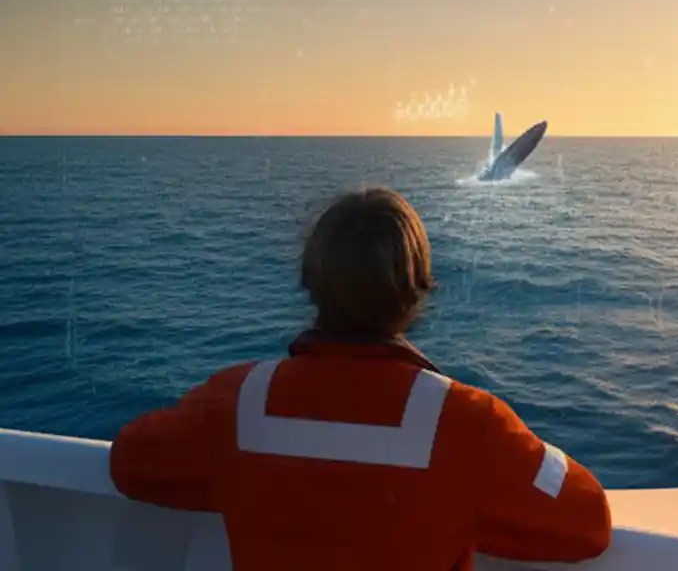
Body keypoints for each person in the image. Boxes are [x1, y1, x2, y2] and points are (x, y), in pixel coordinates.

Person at [110, 187, 611, 570]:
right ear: (417, 288)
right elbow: (587, 520)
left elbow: (131, 459)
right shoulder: (467, 423)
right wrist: (464, 512)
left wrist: (245, 482)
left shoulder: (236, 402)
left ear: (310, 282)